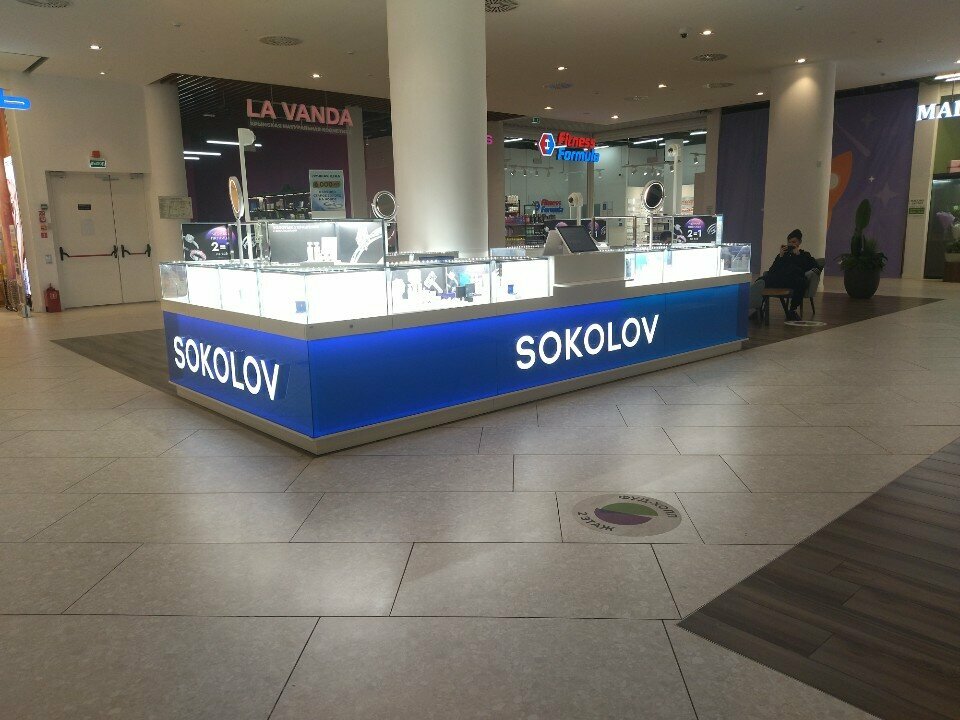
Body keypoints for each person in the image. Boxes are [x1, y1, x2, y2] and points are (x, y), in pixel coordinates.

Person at [762, 229, 818, 320]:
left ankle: (792, 310)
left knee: (801, 282)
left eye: (794, 242)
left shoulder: (804, 255)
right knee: (762, 280)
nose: (791, 244)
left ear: (799, 242)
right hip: (780, 279)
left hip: (794, 279)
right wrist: (780, 256)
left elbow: (810, 266)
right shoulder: (782, 255)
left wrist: (798, 255)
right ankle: (759, 309)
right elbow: (772, 270)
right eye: (789, 242)